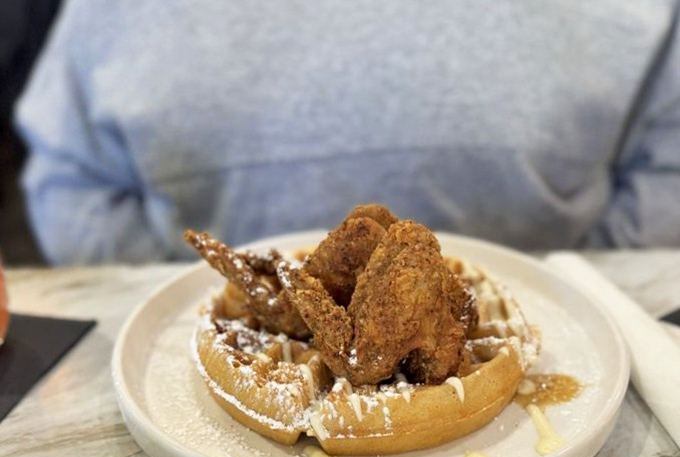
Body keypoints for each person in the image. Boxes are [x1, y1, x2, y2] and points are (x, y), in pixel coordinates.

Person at [13, 0, 680, 265]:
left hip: (575, 405)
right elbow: (70, 180)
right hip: (188, 404)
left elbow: (668, 165)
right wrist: (202, 302)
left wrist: (567, 289)